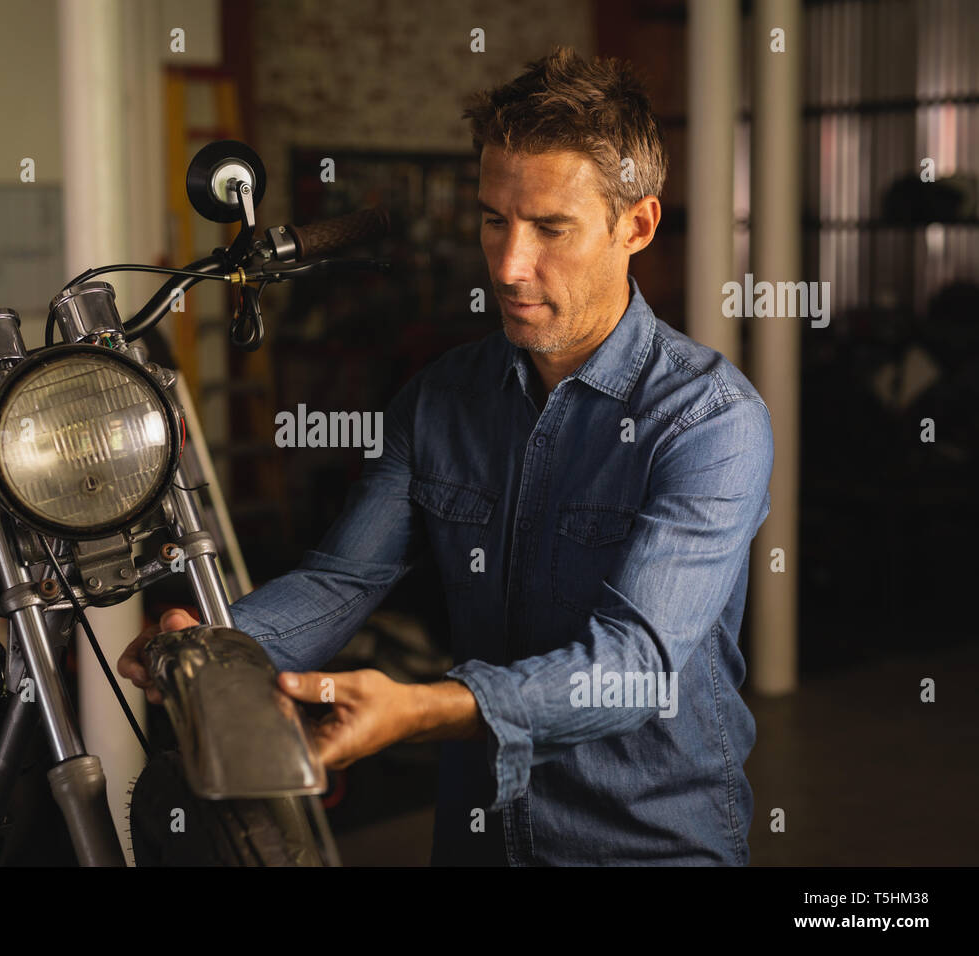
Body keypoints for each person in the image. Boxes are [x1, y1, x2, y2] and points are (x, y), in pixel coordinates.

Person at [119, 47, 774, 866]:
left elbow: (634, 665)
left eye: (550, 228)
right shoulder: (439, 399)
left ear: (636, 225)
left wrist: (425, 708)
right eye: (494, 218)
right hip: (478, 838)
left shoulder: (710, 422)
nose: (507, 265)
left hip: (644, 845)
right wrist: (216, 640)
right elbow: (342, 580)